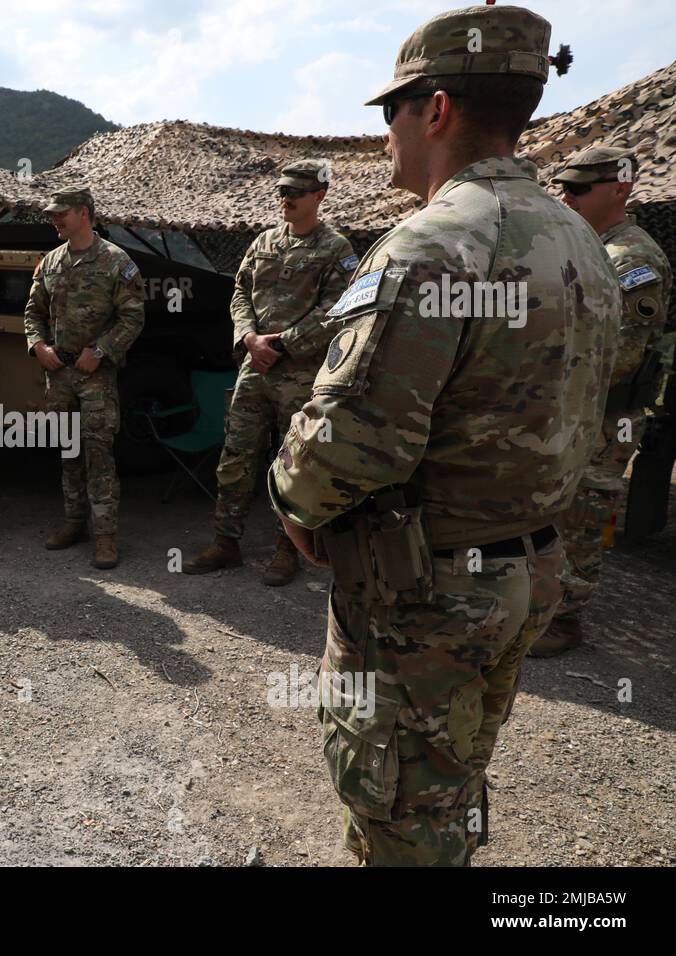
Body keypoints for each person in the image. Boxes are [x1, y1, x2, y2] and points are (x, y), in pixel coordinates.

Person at [267, 4, 619, 865]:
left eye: (389, 112)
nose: (384, 136)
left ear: (435, 109)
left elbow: (354, 443)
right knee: (450, 775)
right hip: (528, 568)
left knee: (398, 803)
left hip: (425, 592)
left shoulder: (434, 243)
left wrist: (290, 501)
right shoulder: (578, 237)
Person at [183, 160, 357, 583]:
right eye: (282, 191)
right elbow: (239, 292)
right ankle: (226, 542)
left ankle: (288, 549)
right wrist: (248, 338)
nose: (286, 199)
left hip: (300, 373)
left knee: (294, 461)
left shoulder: (336, 249)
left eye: (296, 192)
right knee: (236, 455)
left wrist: (283, 343)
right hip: (254, 368)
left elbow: (338, 309)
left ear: (319, 196)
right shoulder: (263, 243)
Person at [530, 147, 674, 656]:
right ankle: (542, 604)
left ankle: (566, 619)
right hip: (571, 406)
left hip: (606, 413)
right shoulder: (587, 247)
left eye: (577, 188)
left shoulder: (630, 258)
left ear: (620, 189)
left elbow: (621, 355)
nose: (564, 196)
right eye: (563, 187)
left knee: (584, 512)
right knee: (553, 506)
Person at [23, 187, 145, 569]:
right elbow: (32, 313)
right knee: (68, 452)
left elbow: (133, 317)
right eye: (53, 215)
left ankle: (106, 537)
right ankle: (74, 522)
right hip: (58, 374)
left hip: (95, 377)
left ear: (84, 213)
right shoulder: (51, 262)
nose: (55, 220)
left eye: (62, 214)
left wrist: (102, 351)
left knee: (98, 456)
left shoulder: (115, 262)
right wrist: (38, 348)